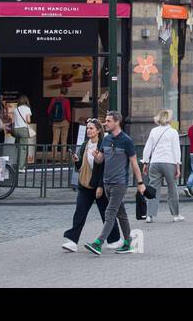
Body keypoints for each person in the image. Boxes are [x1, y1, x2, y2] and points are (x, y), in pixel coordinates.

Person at [84, 111, 147, 256]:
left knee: (110, 211)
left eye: (108, 121)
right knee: (121, 214)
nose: (105, 123)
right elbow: (101, 159)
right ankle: (128, 243)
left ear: (117, 122)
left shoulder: (126, 141)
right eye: (105, 120)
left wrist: (140, 183)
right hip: (107, 182)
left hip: (119, 182)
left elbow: (134, 163)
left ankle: (98, 243)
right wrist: (96, 156)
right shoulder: (106, 140)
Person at [61, 118, 122, 252]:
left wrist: (100, 186)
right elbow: (81, 167)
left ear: (98, 130)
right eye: (87, 128)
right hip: (85, 185)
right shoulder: (84, 145)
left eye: (91, 128)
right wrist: (77, 161)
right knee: (79, 213)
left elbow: (105, 168)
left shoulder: (103, 145)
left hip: (99, 185)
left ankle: (115, 239)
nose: (88, 131)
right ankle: (72, 241)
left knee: (106, 213)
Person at [142, 109, 183, 223]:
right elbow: (176, 150)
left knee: (153, 188)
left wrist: (145, 162)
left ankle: (149, 215)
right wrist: (178, 166)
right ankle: (175, 215)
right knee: (172, 188)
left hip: (155, 162)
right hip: (169, 162)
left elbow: (148, 147)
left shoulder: (153, 131)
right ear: (169, 119)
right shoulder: (173, 132)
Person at [10, 95, 34, 171]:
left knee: (17, 147)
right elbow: (29, 120)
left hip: (16, 130)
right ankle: (21, 167)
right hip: (23, 130)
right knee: (23, 149)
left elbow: (13, 121)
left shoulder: (16, 109)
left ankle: (14, 164)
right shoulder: (27, 109)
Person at [47, 94, 72, 159]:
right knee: (64, 141)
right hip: (65, 122)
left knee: (55, 140)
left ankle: (54, 157)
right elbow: (68, 111)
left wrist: (53, 118)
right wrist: (69, 120)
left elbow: (49, 111)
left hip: (55, 122)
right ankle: (63, 157)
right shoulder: (66, 101)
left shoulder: (54, 100)